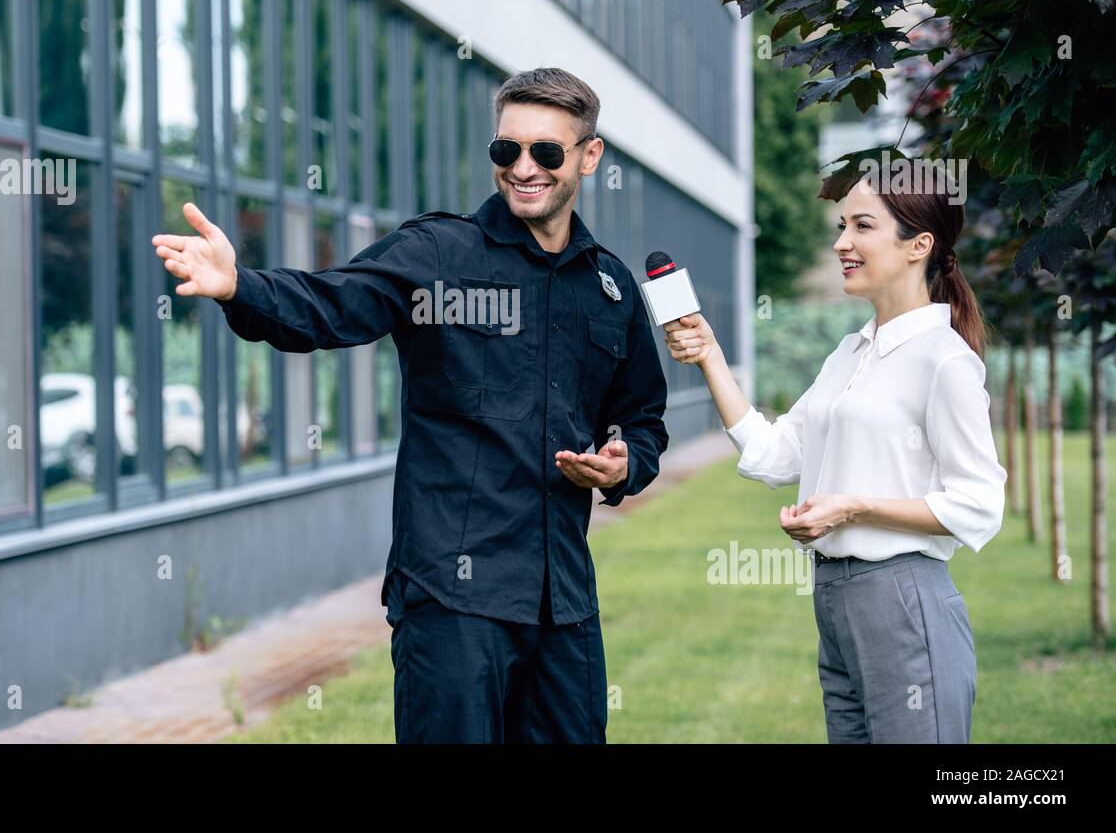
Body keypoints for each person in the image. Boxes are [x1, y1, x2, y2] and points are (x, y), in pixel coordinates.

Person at [151, 67, 669, 742]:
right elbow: (326, 306)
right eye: (505, 150)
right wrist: (238, 286)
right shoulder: (437, 254)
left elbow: (644, 419)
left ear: (589, 156)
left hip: (562, 601)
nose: (522, 168)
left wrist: (624, 462)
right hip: (454, 603)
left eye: (546, 152)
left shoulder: (610, 287)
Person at [665, 174, 1006, 743]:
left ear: (919, 244)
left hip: (903, 598)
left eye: (862, 226)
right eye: (841, 226)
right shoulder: (850, 352)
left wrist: (853, 509)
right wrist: (711, 358)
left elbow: (978, 505)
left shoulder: (945, 361)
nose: (842, 242)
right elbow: (776, 455)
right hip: (835, 600)